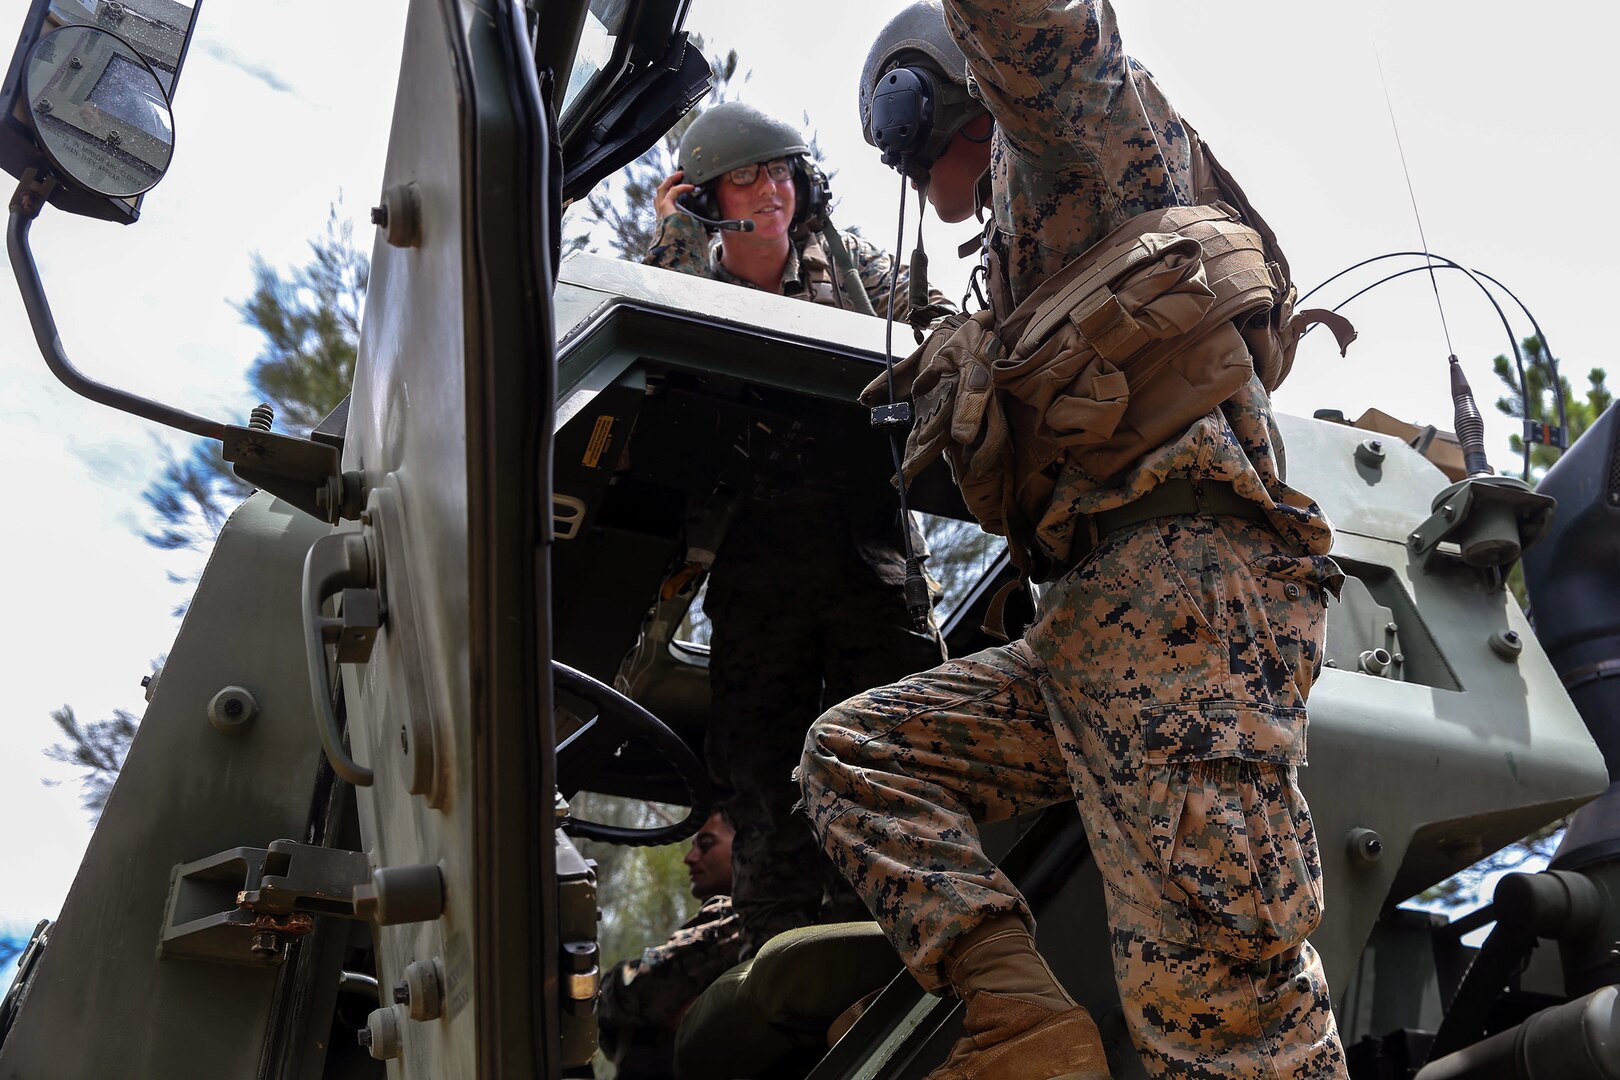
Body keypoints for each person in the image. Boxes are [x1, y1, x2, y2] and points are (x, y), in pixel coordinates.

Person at [798, 3, 1349, 1078]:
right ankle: (1023, 1028)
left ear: (939, 95)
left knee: (1228, 1027)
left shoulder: (1065, 142)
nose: (902, 168)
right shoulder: (1021, 252)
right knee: (858, 758)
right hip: (1092, 634)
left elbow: (1040, 30)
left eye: (900, 133)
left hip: (1183, 614)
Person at [643, 100, 952, 958]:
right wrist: (673, 242)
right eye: (746, 175)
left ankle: (916, 955)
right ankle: (782, 970)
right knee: (765, 785)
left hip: (869, 565)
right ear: (706, 195)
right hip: (754, 577)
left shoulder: (854, 270)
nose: (771, 190)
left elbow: (938, 336)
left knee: (898, 764)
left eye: (781, 170)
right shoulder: (690, 278)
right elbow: (655, 363)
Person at [596, 812, 742, 1079]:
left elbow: (628, 991)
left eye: (706, 844)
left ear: (745, 846)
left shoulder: (734, 919)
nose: (690, 857)